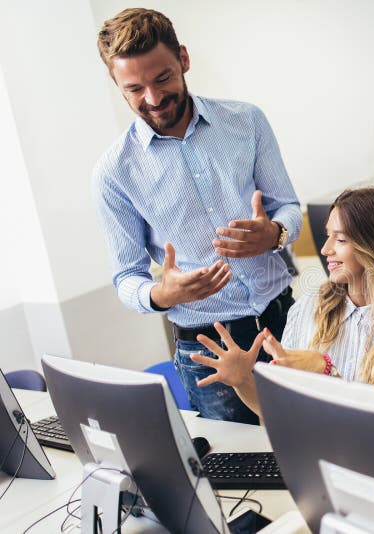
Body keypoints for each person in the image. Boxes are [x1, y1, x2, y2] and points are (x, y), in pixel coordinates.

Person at [92, 8, 300, 424]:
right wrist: (159, 296)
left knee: (321, 451)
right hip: (209, 348)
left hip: (287, 322)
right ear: (117, 86)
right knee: (245, 478)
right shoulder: (113, 173)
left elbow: (289, 207)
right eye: (134, 89)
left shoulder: (247, 121)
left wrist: (275, 234)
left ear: (183, 59)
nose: (153, 99)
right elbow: (126, 277)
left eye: (163, 78)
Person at [188, 187, 374, 416]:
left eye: (340, 239)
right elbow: (282, 417)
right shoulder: (308, 307)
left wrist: (327, 371)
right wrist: (243, 381)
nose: (325, 249)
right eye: (328, 236)